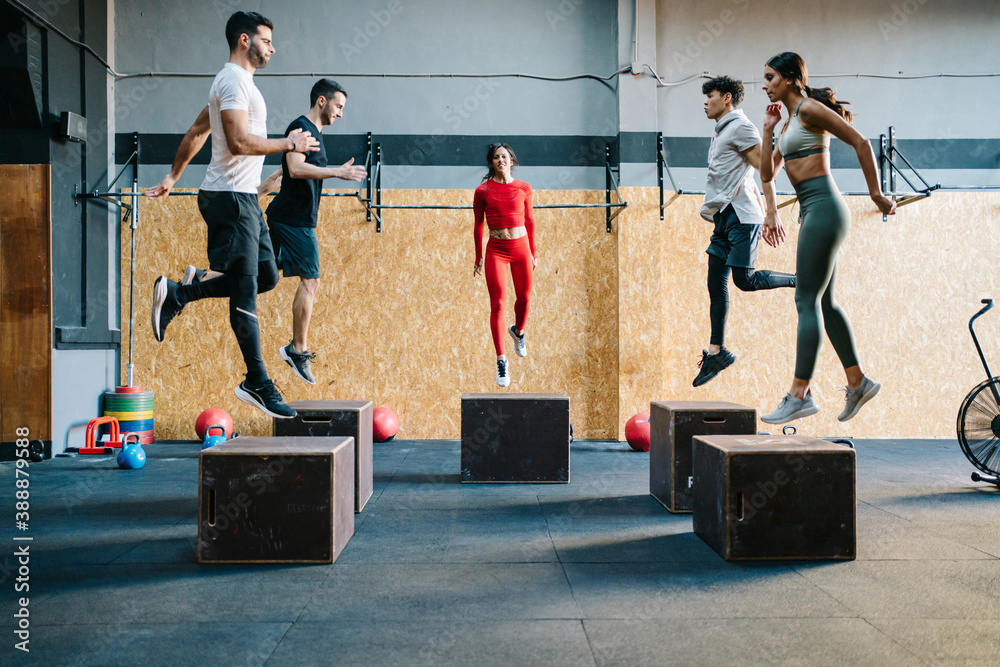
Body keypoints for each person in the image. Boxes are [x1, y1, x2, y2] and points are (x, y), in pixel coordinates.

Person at [146, 11, 319, 419]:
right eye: (267, 40)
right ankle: (256, 380)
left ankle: (181, 292)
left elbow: (198, 131)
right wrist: (289, 144)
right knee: (244, 288)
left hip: (243, 199)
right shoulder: (233, 81)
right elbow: (239, 142)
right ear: (245, 40)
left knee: (267, 276)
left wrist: (173, 175)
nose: (273, 48)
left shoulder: (236, 84)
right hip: (230, 199)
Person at [758, 52, 896, 424]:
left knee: (805, 299)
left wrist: (877, 195)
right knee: (825, 303)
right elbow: (767, 173)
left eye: (770, 77)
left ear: (789, 78)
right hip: (812, 211)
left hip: (824, 208)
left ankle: (799, 394)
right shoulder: (789, 123)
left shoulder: (808, 110)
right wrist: (768, 129)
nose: (765, 84)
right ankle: (858, 382)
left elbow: (861, 142)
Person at [693, 75, 796, 387]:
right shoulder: (723, 130)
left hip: (741, 215)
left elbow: (766, 170)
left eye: (710, 96)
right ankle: (717, 351)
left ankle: (800, 280)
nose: (705, 102)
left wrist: (772, 212)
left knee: (744, 280)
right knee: (715, 282)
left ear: (727, 98)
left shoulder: (740, 127)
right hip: (724, 217)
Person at [265, 78, 367, 384]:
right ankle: (297, 349)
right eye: (338, 106)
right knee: (311, 280)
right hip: (295, 221)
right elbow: (295, 168)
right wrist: (337, 171)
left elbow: (283, 171)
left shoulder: (313, 134)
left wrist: (257, 192)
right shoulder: (302, 129)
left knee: (261, 274)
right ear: (322, 101)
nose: (340, 113)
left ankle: (197, 280)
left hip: (287, 217)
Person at [472, 143, 537, 387]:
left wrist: (533, 252)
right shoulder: (483, 191)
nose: (501, 160)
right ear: (492, 162)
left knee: (525, 299)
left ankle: (518, 332)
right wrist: (478, 256)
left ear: (511, 161)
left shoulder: (524, 188)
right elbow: (478, 225)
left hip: (520, 248)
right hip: (496, 250)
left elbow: (530, 220)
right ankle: (501, 360)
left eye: (505, 156)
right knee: (498, 305)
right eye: (496, 157)